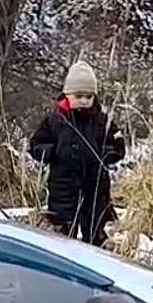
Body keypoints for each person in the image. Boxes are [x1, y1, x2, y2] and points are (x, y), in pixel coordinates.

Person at [26, 60, 127, 245]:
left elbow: (119, 145)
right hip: (63, 189)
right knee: (63, 237)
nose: (84, 101)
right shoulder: (55, 120)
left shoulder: (101, 120)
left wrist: (105, 154)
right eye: (79, 95)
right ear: (67, 94)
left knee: (96, 234)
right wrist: (53, 152)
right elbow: (35, 146)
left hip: (95, 189)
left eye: (88, 97)